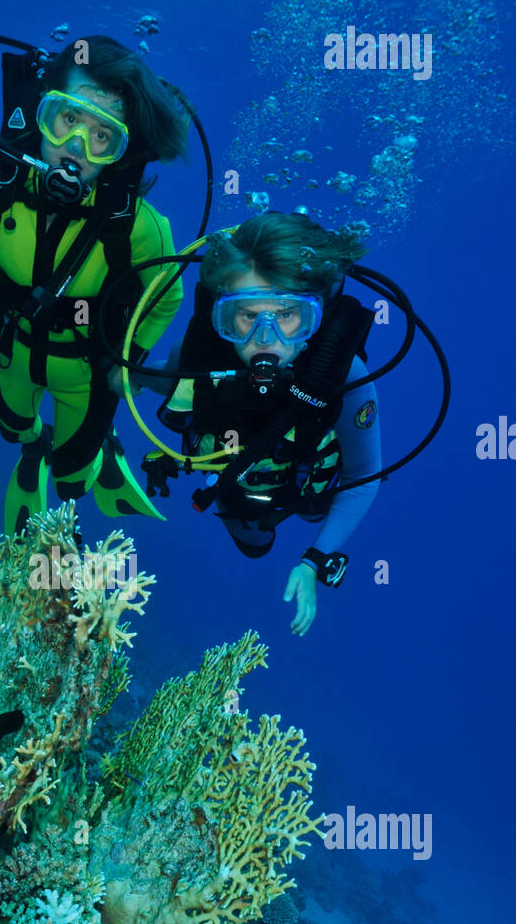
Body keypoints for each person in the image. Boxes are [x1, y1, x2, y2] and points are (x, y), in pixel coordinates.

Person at [0, 35, 190, 535]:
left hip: (87, 371)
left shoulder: (141, 228)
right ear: (42, 113)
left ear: (119, 153)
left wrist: (128, 363)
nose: (76, 149)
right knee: (15, 429)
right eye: (68, 120)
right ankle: (34, 447)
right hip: (12, 348)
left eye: (102, 136)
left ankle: (100, 450)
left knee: (71, 485)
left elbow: (167, 295)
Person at [147, 212, 382, 635]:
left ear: (318, 315)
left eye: (288, 315)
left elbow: (364, 474)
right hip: (230, 485)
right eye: (246, 315)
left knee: (314, 517)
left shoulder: (345, 375)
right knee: (253, 545)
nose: (266, 338)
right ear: (222, 315)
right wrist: (114, 370)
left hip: (304, 492)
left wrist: (315, 559)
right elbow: (163, 374)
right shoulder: (204, 349)